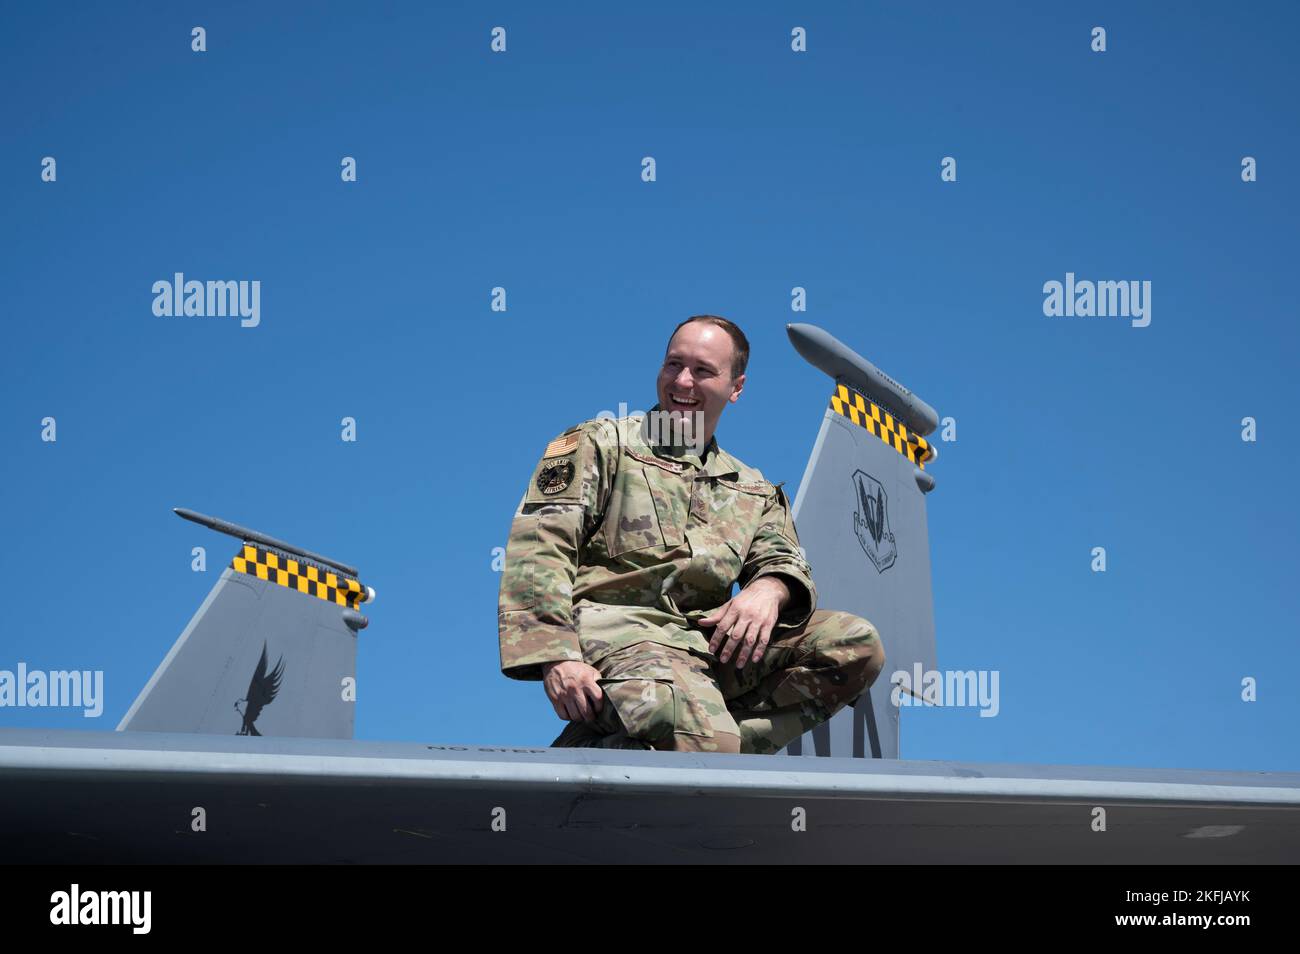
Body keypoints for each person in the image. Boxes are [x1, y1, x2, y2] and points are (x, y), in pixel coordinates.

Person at [497, 315, 885, 754]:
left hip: (708, 648)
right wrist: (557, 656)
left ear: (736, 388)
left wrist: (769, 591)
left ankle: (667, 745)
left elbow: (782, 559)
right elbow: (540, 547)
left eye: (703, 370)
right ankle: (702, 743)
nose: (682, 381)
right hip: (618, 638)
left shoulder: (751, 487)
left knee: (853, 644)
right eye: (672, 365)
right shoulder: (603, 444)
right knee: (706, 742)